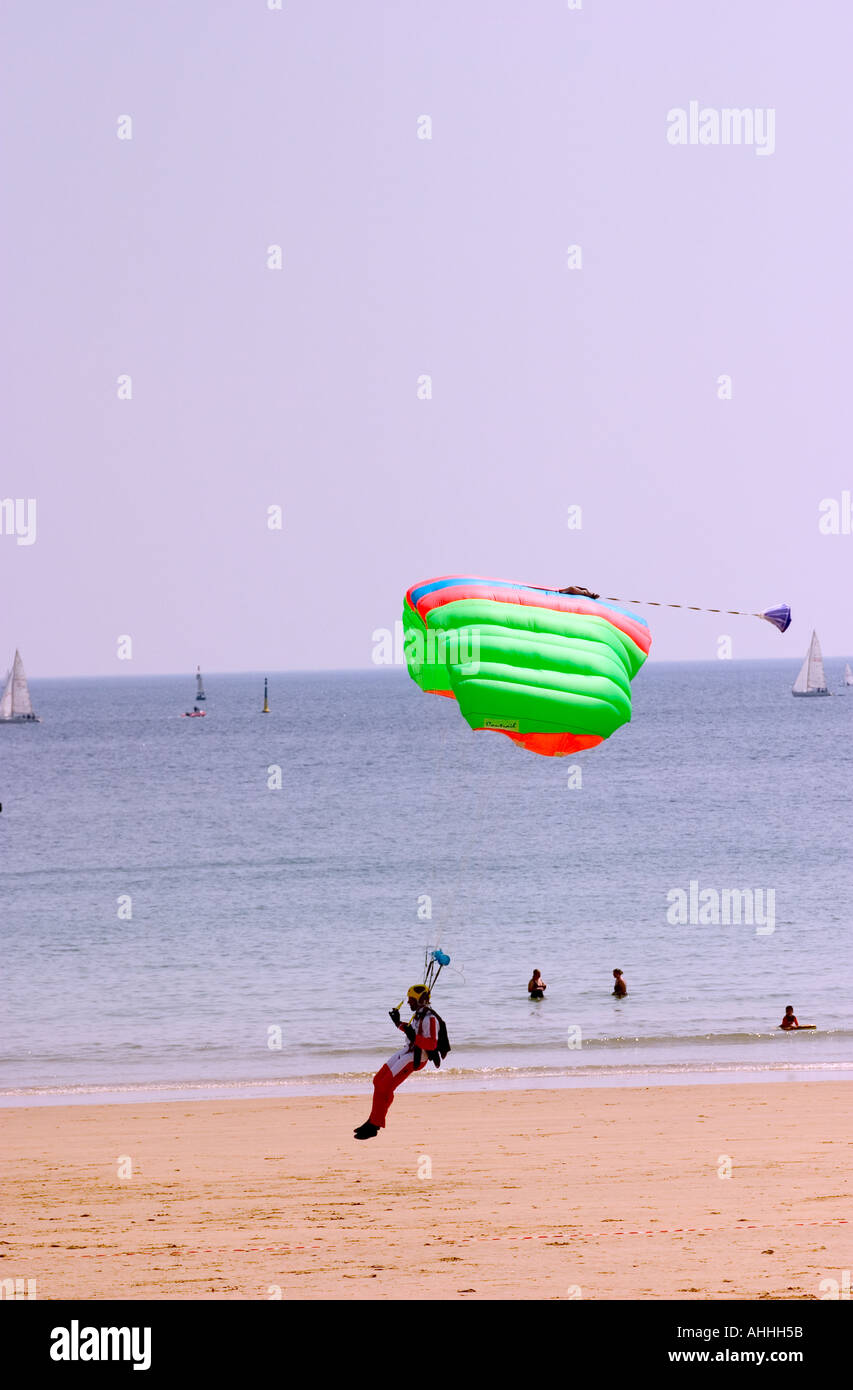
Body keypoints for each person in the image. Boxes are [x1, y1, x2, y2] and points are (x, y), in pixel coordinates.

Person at [354, 984, 439, 1140]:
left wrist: (414, 1037)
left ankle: (374, 1125)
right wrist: (398, 1023)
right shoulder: (419, 1014)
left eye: (411, 1000)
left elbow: (432, 1044)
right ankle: (373, 1119)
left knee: (385, 1086)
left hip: (416, 1058)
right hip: (407, 1051)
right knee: (378, 1080)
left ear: (421, 1000)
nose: (408, 1003)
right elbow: (411, 1032)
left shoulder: (430, 1018)